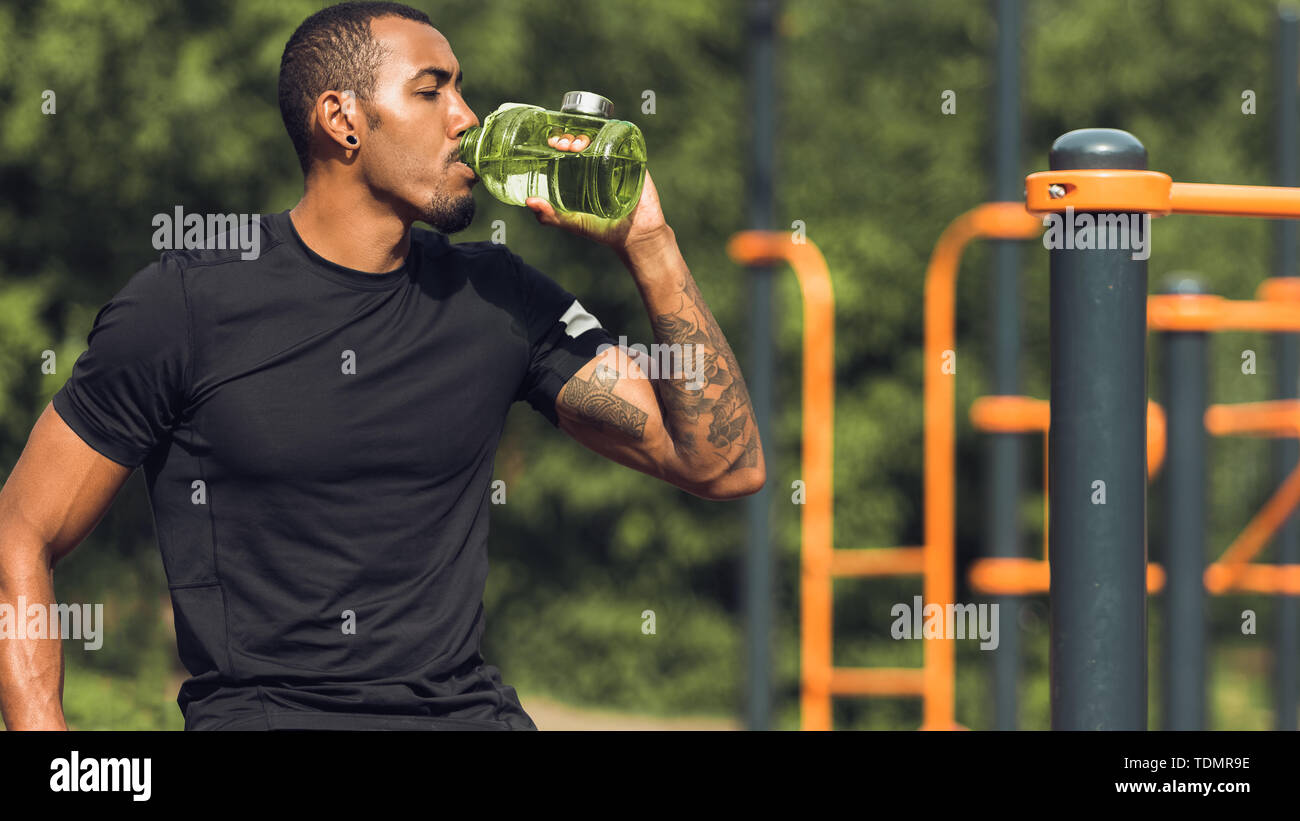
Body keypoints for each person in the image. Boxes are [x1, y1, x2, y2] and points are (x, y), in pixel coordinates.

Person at [0, 0, 764, 731]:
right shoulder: (188, 304)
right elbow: (20, 530)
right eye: (432, 90)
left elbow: (722, 465)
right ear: (342, 120)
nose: (466, 118)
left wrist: (649, 242)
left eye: (461, 89)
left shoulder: (498, 297)